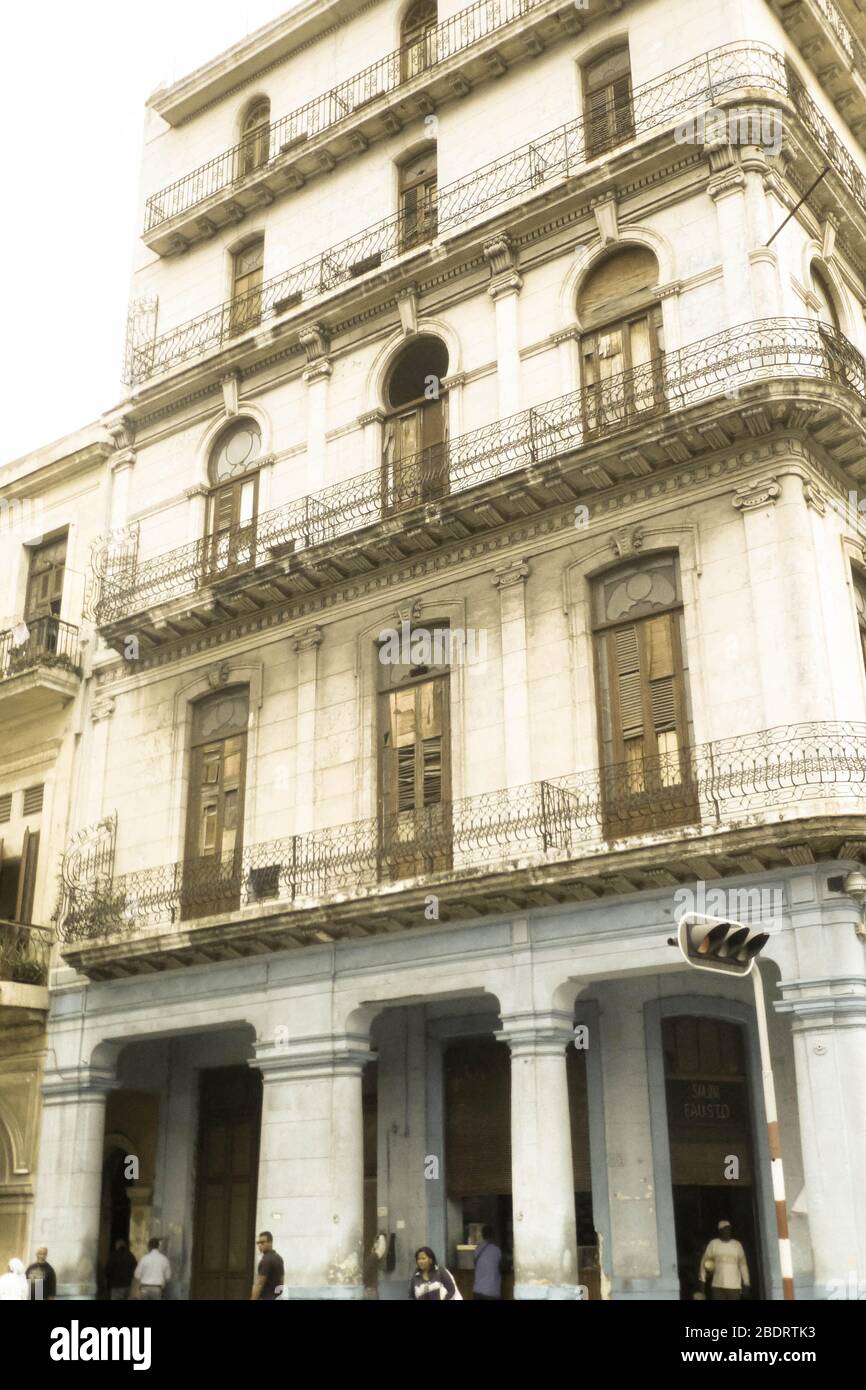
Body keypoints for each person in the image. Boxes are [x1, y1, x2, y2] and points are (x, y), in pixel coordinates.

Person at [698, 1220, 750, 1300]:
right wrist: (702, 1281)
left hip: (734, 1287)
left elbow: (743, 1265)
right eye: (725, 1229)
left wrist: (746, 1283)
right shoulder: (713, 1244)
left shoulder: (737, 1245)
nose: (728, 1231)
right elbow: (704, 1263)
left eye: (729, 1229)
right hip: (717, 1286)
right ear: (720, 1231)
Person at [251, 1231, 284, 1301]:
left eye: (262, 1242)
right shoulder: (279, 1258)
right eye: (258, 1243)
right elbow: (281, 1281)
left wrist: (253, 1298)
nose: (260, 1245)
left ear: (270, 1243)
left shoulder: (266, 1261)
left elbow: (259, 1284)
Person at [472, 1225, 502, 1300]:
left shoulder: (477, 1250)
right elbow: (502, 1267)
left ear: (482, 1235)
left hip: (477, 1290)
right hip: (492, 1291)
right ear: (493, 1235)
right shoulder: (497, 1250)